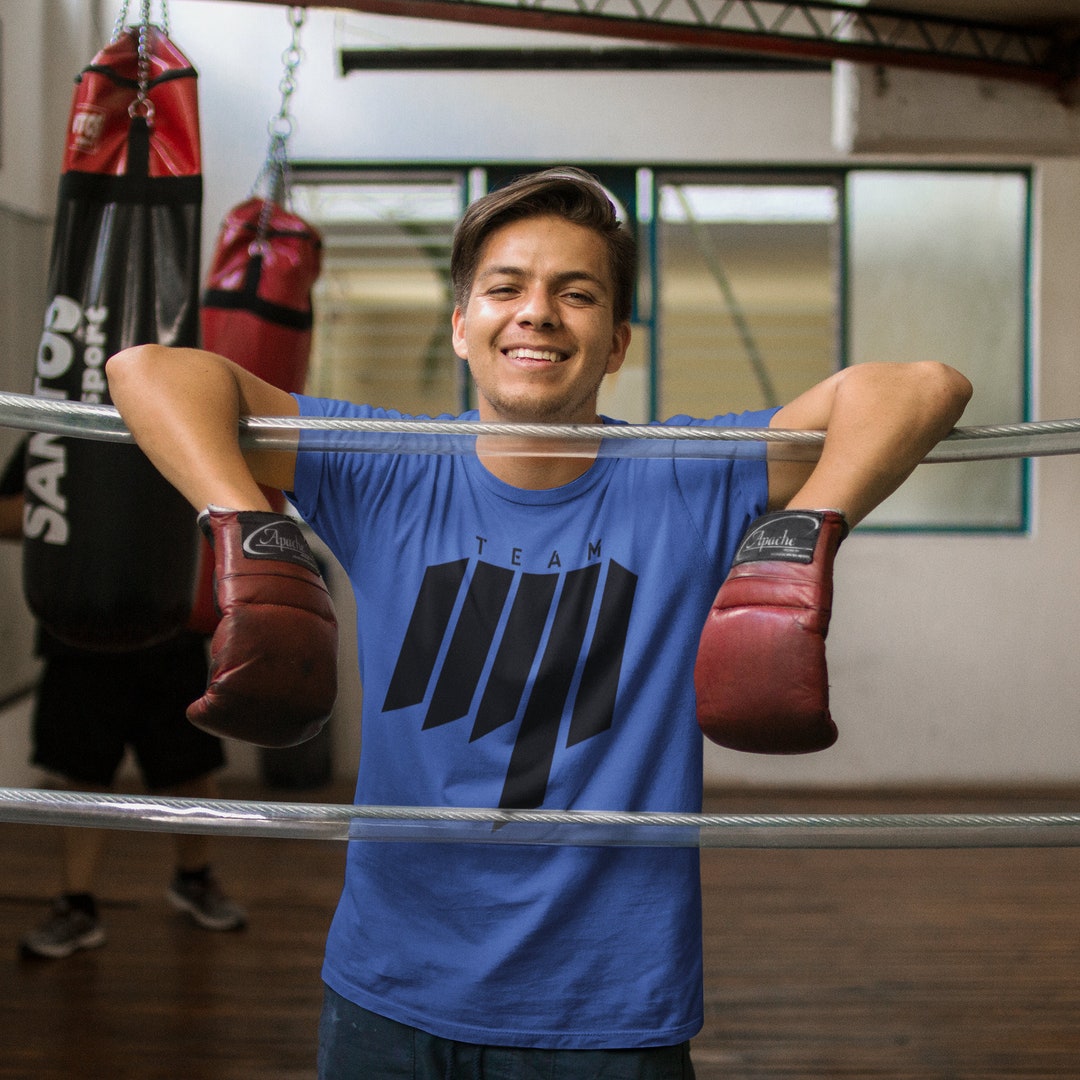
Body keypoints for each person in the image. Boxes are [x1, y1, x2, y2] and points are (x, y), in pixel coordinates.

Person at [105, 168, 972, 1078]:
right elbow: (150, 371)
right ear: (460, 325)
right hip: (390, 985)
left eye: (577, 294)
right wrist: (249, 524)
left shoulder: (683, 475)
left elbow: (920, 386)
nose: (538, 313)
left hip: (609, 1005)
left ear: (617, 343)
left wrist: (796, 535)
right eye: (506, 287)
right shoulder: (390, 468)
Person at [0, 440, 247, 960]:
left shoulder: (170, 427)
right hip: (78, 626)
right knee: (82, 771)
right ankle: (76, 904)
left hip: (168, 626)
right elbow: (5, 514)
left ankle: (194, 879)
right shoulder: (56, 431)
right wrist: (80, 503)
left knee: (189, 764)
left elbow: (225, 501)